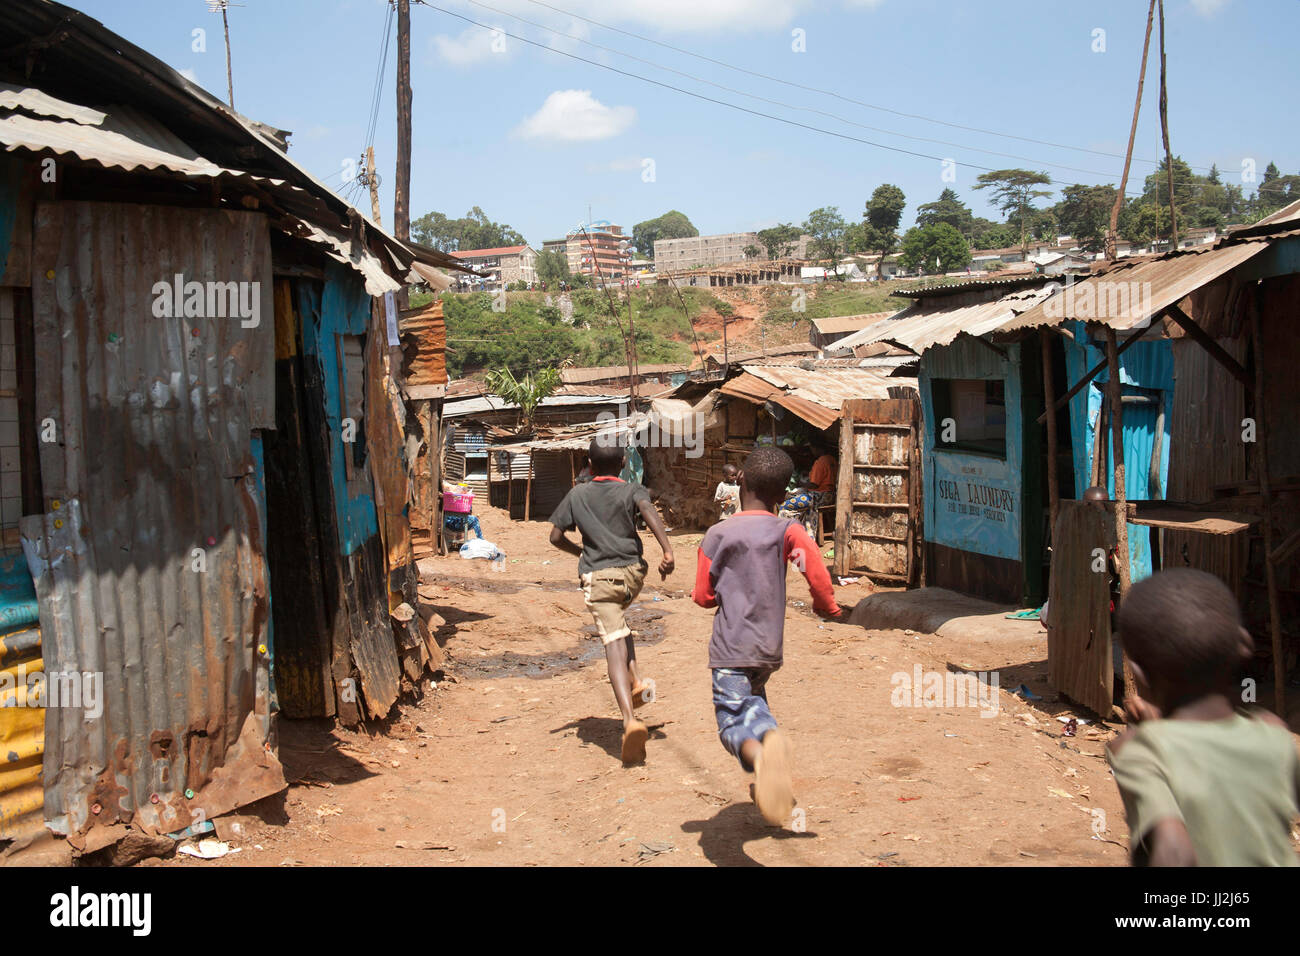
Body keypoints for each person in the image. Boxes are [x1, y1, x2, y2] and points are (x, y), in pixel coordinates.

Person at [692, 446, 844, 826]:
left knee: (731, 718)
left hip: (731, 649)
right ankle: (769, 751)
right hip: (768, 650)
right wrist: (828, 607)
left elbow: (702, 596)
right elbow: (815, 571)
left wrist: (720, 593)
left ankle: (760, 757)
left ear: (740, 480)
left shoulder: (718, 534)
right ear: (782, 497)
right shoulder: (787, 531)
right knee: (755, 704)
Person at [1106, 568, 1300, 866]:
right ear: (1244, 644)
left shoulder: (1140, 751)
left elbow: (1174, 853)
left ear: (1140, 673)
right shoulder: (1275, 735)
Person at [549, 436, 675, 765]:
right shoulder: (633, 489)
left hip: (599, 578)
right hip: (633, 575)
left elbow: (555, 536)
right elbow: (648, 511)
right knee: (620, 626)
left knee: (612, 640)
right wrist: (667, 549)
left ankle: (630, 719)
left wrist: (581, 552)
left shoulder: (577, 493)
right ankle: (635, 681)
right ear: (623, 463)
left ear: (589, 466)